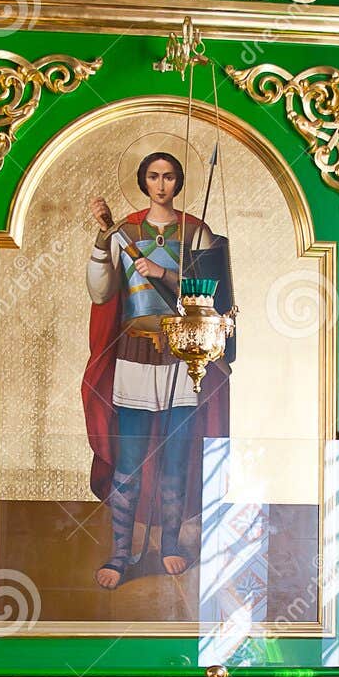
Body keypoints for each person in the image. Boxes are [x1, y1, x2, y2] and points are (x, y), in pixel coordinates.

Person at [82, 150, 232, 589]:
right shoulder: (124, 232)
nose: (161, 184)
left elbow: (211, 296)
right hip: (134, 354)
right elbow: (101, 292)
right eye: (153, 176)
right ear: (143, 181)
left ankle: (169, 545)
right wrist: (102, 240)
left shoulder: (196, 231)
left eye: (168, 177)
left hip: (183, 355)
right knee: (129, 460)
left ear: (178, 182)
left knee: (175, 456)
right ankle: (120, 554)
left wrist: (163, 273)